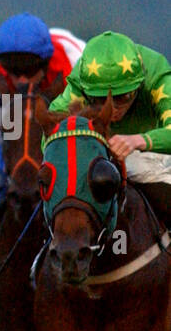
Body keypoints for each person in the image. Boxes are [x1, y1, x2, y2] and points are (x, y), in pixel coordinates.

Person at [0, 13, 84, 267]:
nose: (22, 81)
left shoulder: (76, 60)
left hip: (72, 130)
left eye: (29, 71)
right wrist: (17, 168)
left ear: (46, 62)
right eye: (14, 73)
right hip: (20, 138)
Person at [50, 30, 171, 223]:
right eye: (99, 99)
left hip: (158, 157)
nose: (112, 109)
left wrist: (139, 140)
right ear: (86, 90)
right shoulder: (80, 81)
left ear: (139, 86)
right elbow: (49, 137)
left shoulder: (155, 71)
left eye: (123, 97)